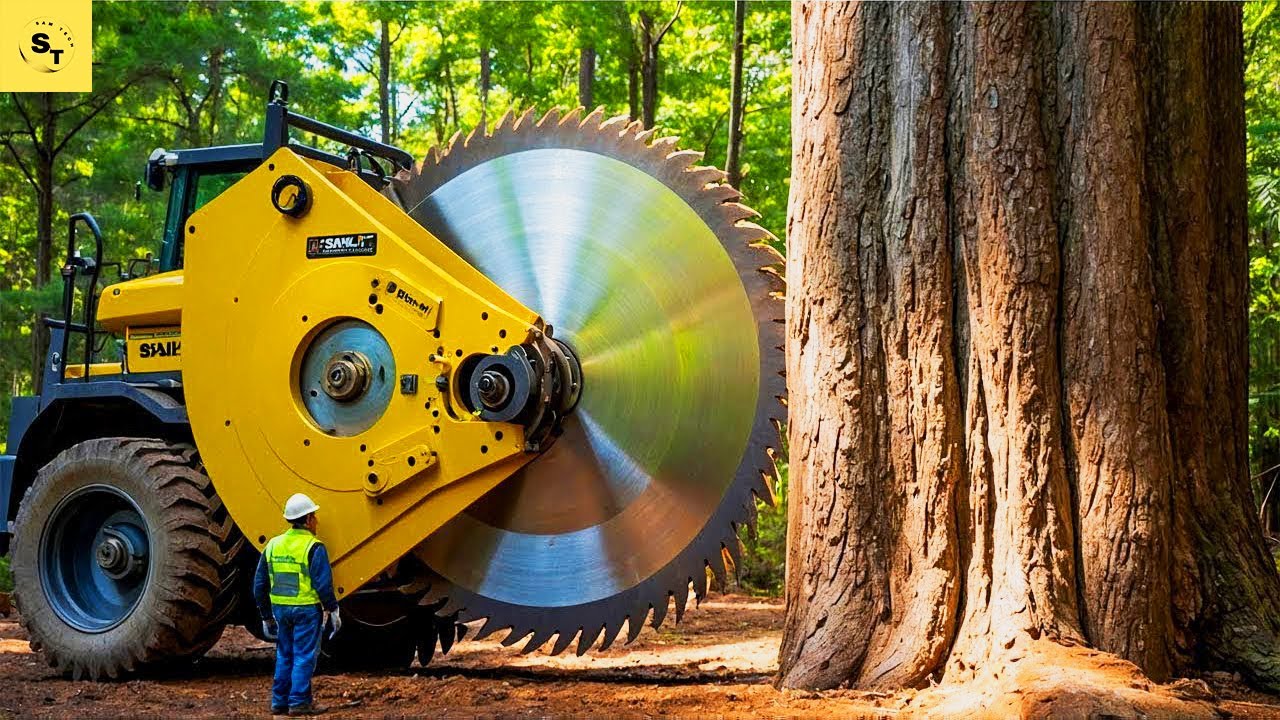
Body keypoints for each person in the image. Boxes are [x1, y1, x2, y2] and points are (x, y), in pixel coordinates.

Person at [254, 493, 342, 717]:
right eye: (315, 517)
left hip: (281, 610)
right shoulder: (314, 547)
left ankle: (279, 702)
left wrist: (266, 615)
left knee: (285, 654)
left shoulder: (273, 546)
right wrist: (333, 609)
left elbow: (259, 584)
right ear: (309, 518)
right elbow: (323, 585)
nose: (317, 522)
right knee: (304, 655)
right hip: (306, 610)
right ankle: (299, 702)